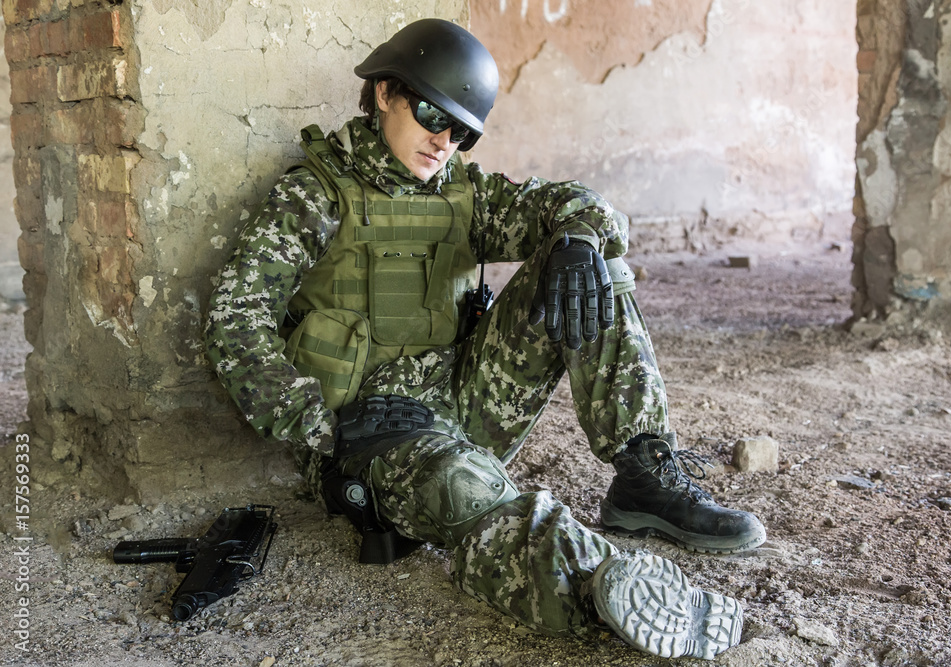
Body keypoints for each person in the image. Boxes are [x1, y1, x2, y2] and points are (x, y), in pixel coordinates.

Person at [204, 18, 766, 660]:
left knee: (591, 264)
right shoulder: (315, 196)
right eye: (430, 114)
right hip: (373, 435)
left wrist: (580, 237)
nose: (444, 141)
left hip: (464, 402)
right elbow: (235, 318)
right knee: (465, 489)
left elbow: (582, 203)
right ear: (385, 93)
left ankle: (642, 473)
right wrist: (320, 428)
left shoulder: (465, 197)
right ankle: (601, 586)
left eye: (462, 130)